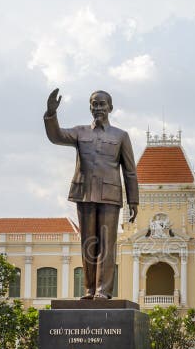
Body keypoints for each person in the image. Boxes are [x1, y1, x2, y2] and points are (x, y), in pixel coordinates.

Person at [44, 88, 139, 300]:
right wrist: (51, 114)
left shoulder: (121, 136)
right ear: (90, 107)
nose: (98, 108)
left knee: (107, 244)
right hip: (85, 194)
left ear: (110, 108)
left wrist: (133, 200)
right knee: (88, 243)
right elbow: (56, 136)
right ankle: (89, 290)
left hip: (110, 196)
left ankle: (103, 291)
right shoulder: (80, 132)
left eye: (102, 104)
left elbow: (130, 170)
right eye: (94, 104)